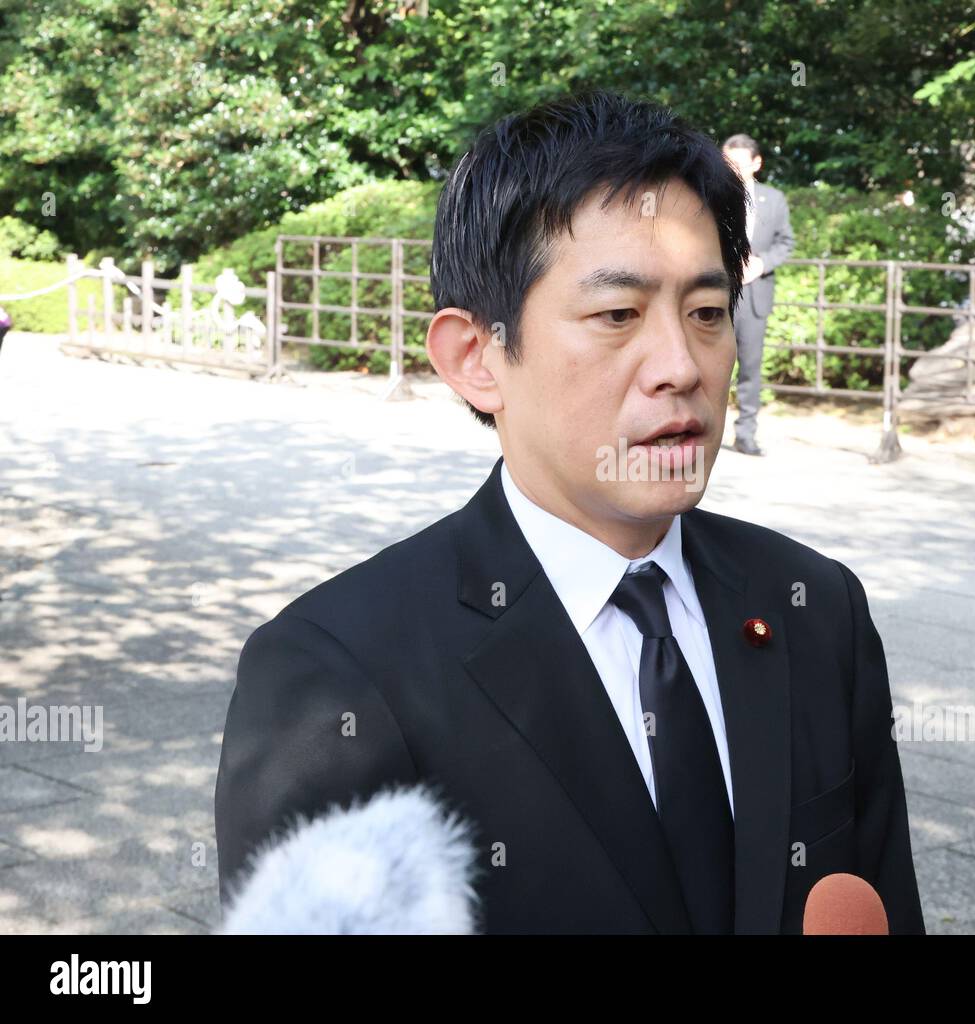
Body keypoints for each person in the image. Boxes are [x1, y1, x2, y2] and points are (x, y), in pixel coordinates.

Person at [214, 90, 923, 935]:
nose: (680, 366)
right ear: (477, 358)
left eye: (706, 314)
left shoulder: (816, 608)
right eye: (617, 315)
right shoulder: (335, 675)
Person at [720, 133, 795, 457]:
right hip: (717, 295)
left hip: (755, 297)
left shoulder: (774, 199)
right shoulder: (713, 194)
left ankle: (746, 434)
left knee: (750, 369)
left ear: (756, 163)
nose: (731, 170)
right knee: (710, 367)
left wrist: (762, 264)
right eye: (727, 163)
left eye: (738, 163)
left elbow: (786, 243)